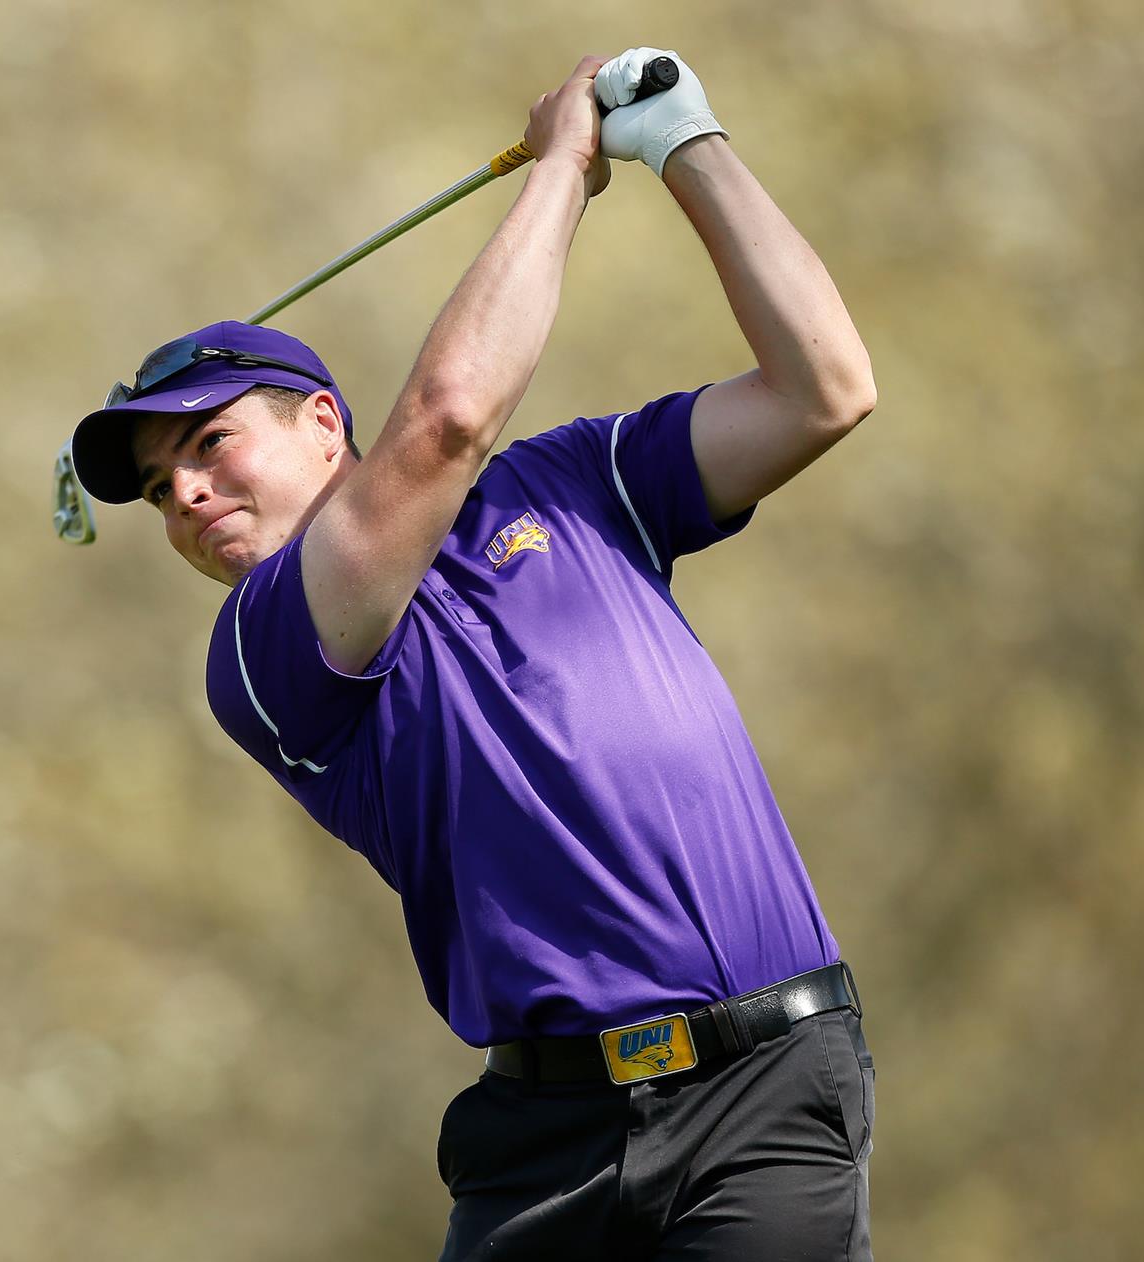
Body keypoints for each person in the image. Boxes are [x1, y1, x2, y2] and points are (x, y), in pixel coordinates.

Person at [69, 46, 878, 1261]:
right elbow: (447, 419)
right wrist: (561, 167)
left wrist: (685, 147)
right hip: (546, 1148)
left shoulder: (575, 482)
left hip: (764, 1095)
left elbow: (823, 387)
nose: (182, 492)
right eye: (155, 484)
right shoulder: (259, 654)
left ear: (321, 424)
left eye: (209, 442)